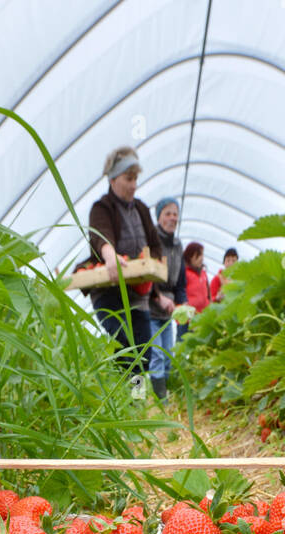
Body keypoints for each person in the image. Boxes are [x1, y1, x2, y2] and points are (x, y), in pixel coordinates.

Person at [86, 147, 163, 381]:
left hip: (138, 296)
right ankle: (121, 404)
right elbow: (101, 236)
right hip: (109, 295)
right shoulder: (102, 208)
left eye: (135, 179)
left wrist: (158, 292)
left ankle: (136, 404)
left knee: (143, 352)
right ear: (112, 179)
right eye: (128, 179)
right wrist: (110, 256)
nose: (133, 185)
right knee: (124, 346)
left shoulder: (141, 209)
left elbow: (155, 247)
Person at [147, 197, 187, 399]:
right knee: (156, 355)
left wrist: (184, 304)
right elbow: (146, 272)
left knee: (168, 356)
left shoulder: (178, 246)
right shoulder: (151, 240)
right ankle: (159, 402)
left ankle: (167, 398)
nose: (172, 218)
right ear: (159, 216)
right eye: (168, 214)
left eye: (175, 214)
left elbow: (180, 281)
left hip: (167, 310)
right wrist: (158, 297)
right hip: (149, 305)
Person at [183, 243, 211, 314]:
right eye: (198, 255)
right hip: (188, 317)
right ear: (190, 257)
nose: (201, 258)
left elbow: (208, 295)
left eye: (202, 255)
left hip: (203, 316)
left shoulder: (203, 274)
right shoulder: (185, 273)